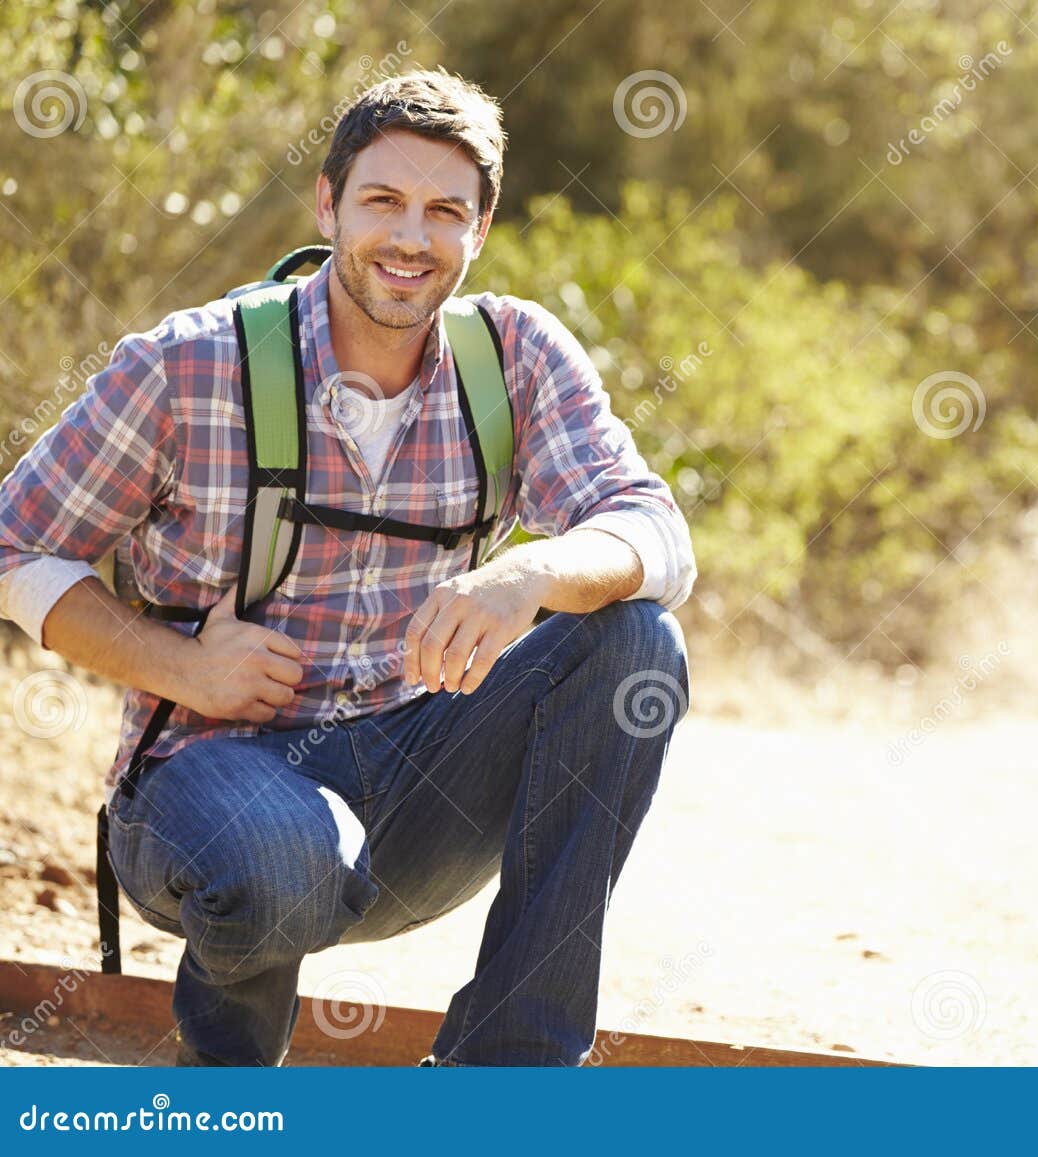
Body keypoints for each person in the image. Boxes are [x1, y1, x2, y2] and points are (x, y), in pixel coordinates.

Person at [0, 67, 696, 1066]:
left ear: (481, 229)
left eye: (443, 211)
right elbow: (13, 543)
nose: (411, 238)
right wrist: (178, 664)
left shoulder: (517, 358)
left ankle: (503, 1080)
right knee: (277, 853)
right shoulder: (187, 365)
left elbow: (656, 531)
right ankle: (226, 1086)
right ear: (328, 203)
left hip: (415, 791)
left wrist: (527, 576)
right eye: (382, 201)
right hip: (207, 787)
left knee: (635, 642)